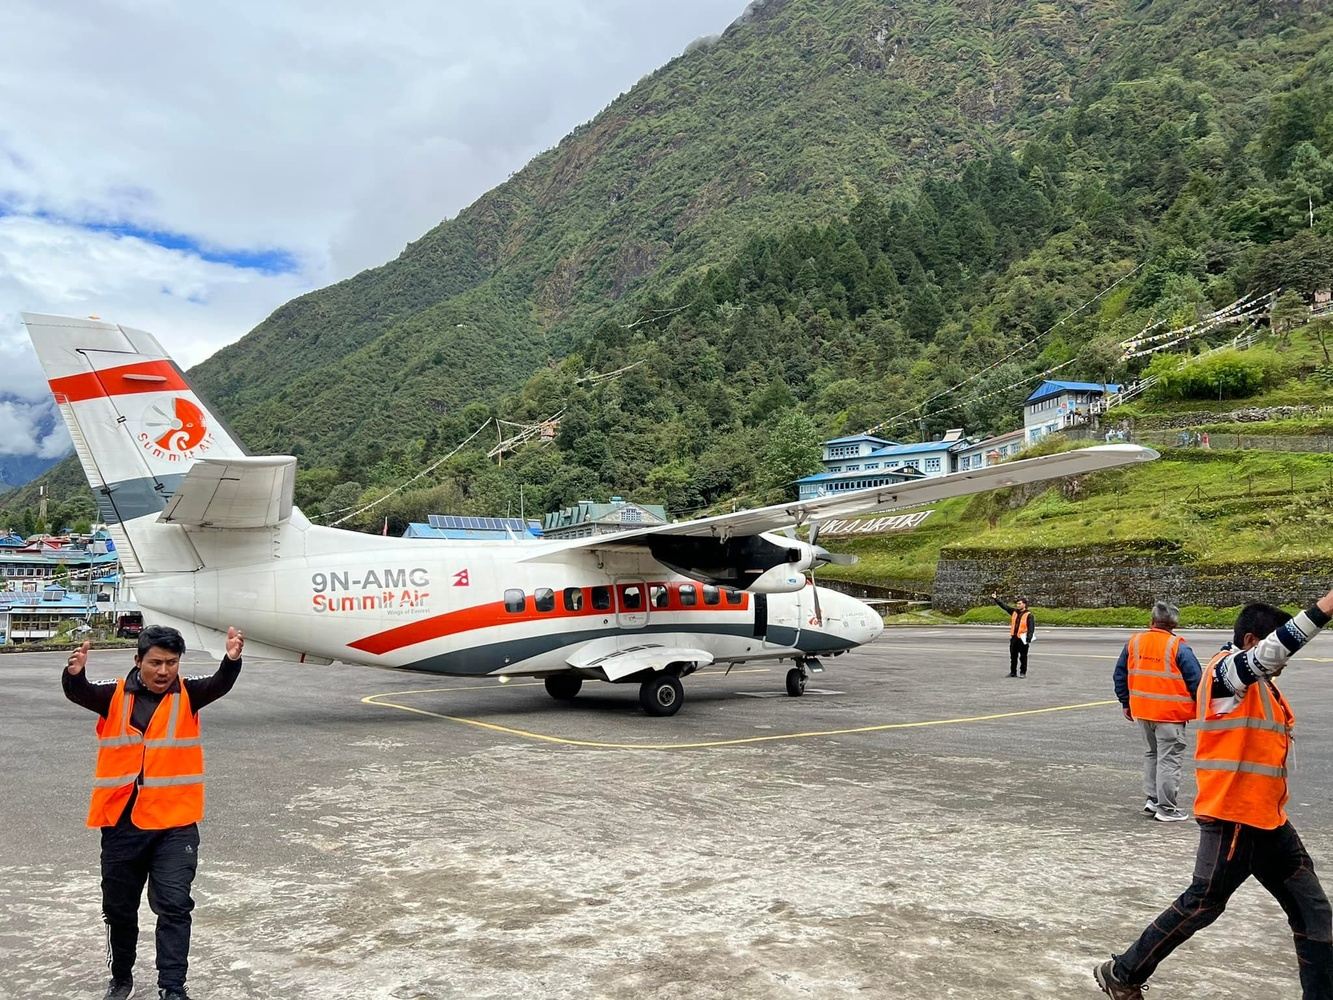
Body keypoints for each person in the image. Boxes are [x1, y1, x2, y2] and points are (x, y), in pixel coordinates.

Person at [1094, 593, 1333, 999]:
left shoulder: (1263, 688)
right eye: (1273, 650)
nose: (1284, 662)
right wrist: (1325, 607)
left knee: (1315, 913)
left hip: (1269, 823)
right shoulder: (1226, 676)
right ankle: (1123, 972)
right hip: (1233, 818)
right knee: (1202, 902)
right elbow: (1274, 652)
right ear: (1252, 642)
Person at [63, 624, 245, 1000]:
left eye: (172, 663)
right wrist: (74, 673)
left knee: (175, 905)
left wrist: (231, 660)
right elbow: (78, 692)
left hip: (175, 823)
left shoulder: (188, 695)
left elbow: (219, 683)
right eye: (156, 663)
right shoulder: (113, 696)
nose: (164, 671)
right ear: (138, 661)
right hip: (122, 823)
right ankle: (121, 978)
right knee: (119, 909)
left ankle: (173, 988)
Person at [1112, 601, 1202, 822]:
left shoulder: (1134, 642)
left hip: (1143, 712)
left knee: (1152, 754)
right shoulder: (1178, 647)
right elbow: (1197, 682)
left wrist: (1126, 702)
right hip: (1170, 715)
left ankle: (1152, 799)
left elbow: (1119, 675)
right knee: (1169, 760)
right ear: (1174, 625)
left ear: (1151, 621)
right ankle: (1167, 808)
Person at [992, 593, 1034, 677]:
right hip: (1014, 638)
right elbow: (1004, 606)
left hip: (1023, 638)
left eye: (1019, 603)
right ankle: (1013, 672)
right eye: (1017, 604)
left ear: (1024, 604)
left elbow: (1031, 627)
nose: (1018, 605)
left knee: (1023, 657)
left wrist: (1029, 638)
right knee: (1013, 657)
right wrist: (996, 599)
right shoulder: (1014, 612)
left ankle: (1023, 672)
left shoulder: (1029, 615)